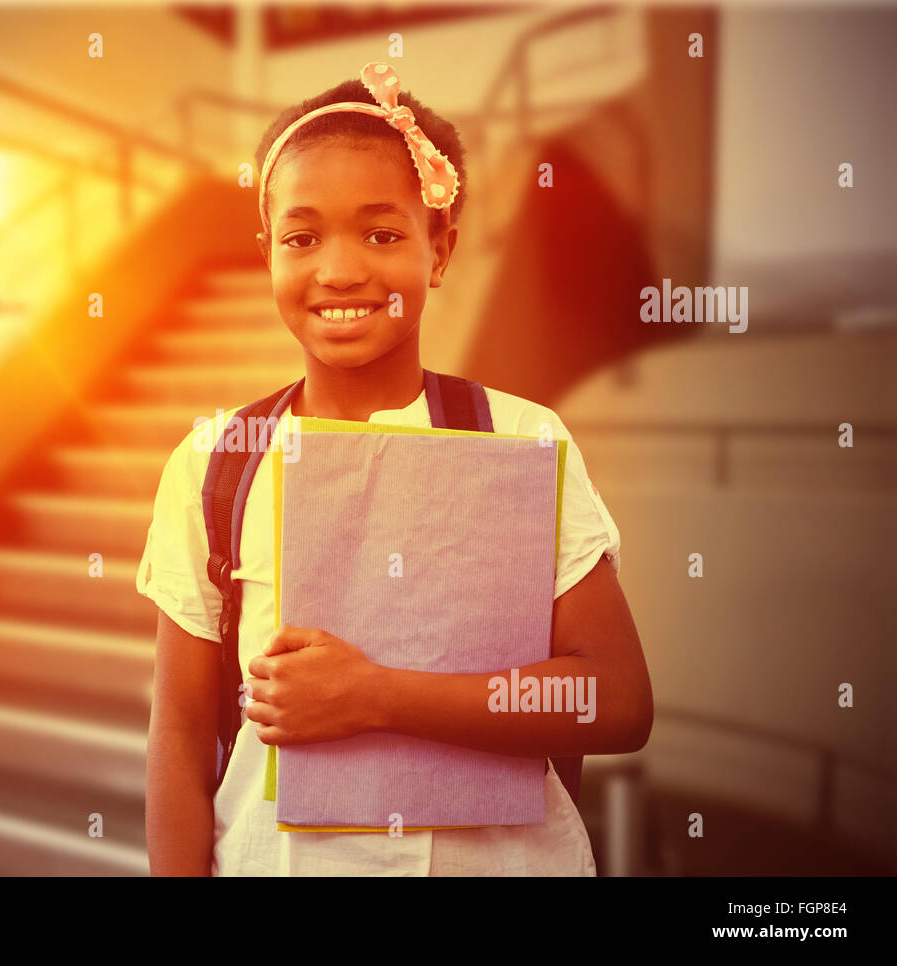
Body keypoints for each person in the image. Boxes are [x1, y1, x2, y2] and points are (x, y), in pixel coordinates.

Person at [138, 62, 653, 876]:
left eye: (382, 233)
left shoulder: (522, 439)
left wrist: (374, 695)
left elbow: (614, 702)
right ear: (268, 251)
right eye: (302, 237)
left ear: (440, 249)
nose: (340, 270)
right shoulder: (217, 463)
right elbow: (177, 732)